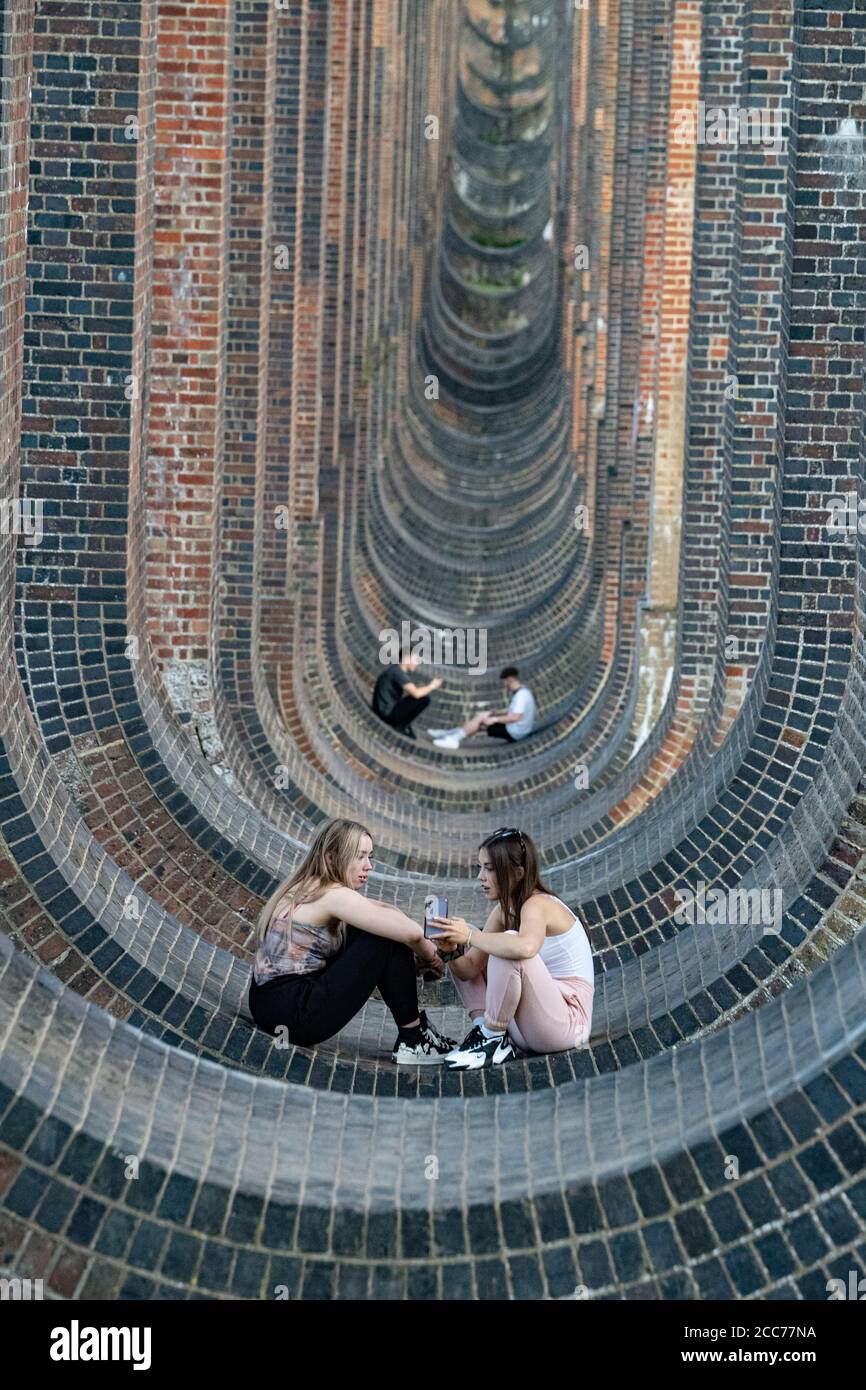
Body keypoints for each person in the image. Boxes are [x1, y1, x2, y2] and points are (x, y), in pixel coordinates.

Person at [248, 818, 457, 1064]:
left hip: (266, 1005)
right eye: (359, 857)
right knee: (384, 938)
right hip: (295, 1014)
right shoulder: (334, 896)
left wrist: (416, 949)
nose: (368, 866)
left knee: (380, 928)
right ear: (331, 857)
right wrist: (433, 957)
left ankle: (416, 1033)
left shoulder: (309, 886)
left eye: (370, 856)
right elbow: (410, 933)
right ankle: (414, 1039)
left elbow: (386, 912)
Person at [432, 827, 594, 1070]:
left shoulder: (538, 904)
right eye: (480, 867)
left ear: (517, 873)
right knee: (489, 939)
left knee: (508, 943)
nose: (480, 877)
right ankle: (484, 1031)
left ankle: (493, 1037)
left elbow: (526, 947)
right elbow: (470, 969)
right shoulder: (503, 911)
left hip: (566, 1025)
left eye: (489, 868)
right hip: (528, 1025)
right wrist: (451, 950)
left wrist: (469, 935)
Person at [428, 666, 536, 750]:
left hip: (516, 732)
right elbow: (512, 711)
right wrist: (496, 713)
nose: (503, 684)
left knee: (480, 720)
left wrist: (494, 719)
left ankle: (452, 739)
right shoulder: (522, 691)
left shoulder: (520, 696)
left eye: (504, 681)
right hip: (518, 730)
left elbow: (515, 717)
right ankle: (449, 735)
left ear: (509, 679)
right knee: (481, 718)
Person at [372, 650, 443, 740]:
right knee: (424, 699)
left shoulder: (396, 670)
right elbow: (416, 694)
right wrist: (432, 686)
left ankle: (403, 724)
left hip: (384, 709)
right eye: (416, 660)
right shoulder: (398, 673)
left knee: (421, 697)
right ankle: (401, 725)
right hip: (386, 713)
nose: (417, 663)